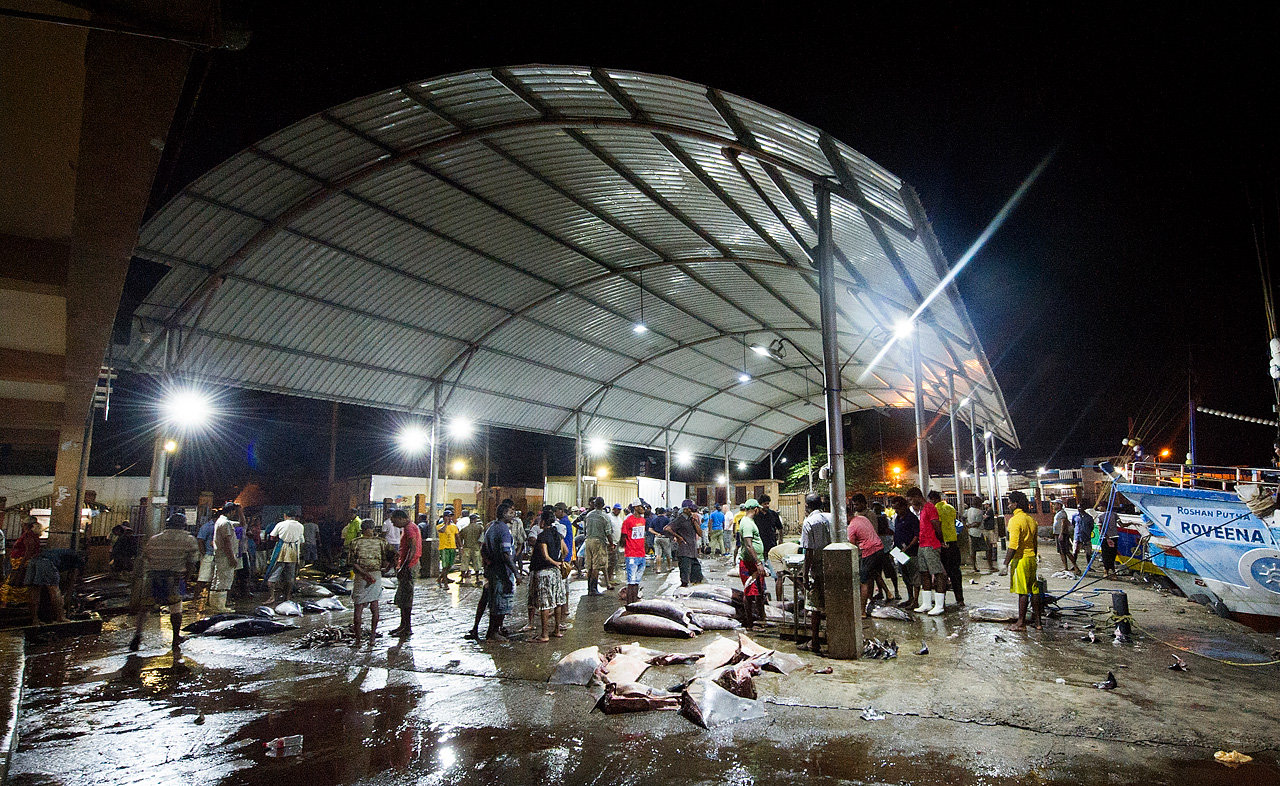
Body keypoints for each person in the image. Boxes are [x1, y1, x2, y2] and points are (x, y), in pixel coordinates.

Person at [130, 513, 200, 651]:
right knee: (176, 608)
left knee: (145, 609)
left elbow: (145, 557)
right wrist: (186, 578)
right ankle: (175, 638)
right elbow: (192, 562)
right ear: (183, 525)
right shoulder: (188, 539)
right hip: (172, 578)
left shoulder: (154, 539)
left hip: (152, 577)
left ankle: (137, 635)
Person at [476, 503, 520, 641]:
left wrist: (489, 563)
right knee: (500, 602)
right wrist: (516, 572)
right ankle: (493, 632)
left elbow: (483, 549)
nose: (513, 514)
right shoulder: (503, 530)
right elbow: (506, 554)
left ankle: (495, 630)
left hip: (493, 569)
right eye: (510, 512)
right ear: (503, 514)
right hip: (502, 571)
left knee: (494, 600)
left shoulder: (491, 528)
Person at [348, 520, 395, 644]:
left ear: (362, 530)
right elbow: (395, 555)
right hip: (376, 575)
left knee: (358, 607)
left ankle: (358, 640)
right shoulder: (382, 542)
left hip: (360, 576)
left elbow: (352, 562)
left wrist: (364, 573)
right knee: (374, 606)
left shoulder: (355, 542)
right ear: (373, 529)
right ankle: (372, 638)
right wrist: (387, 569)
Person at [528, 508, 568, 642]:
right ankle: (556, 631)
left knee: (545, 604)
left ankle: (544, 635)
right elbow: (566, 550)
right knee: (557, 602)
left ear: (544, 521)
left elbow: (545, 556)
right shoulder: (557, 534)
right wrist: (560, 561)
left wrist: (554, 562)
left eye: (540, 520)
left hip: (544, 572)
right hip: (556, 573)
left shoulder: (543, 535)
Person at [1004, 490, 1042, 631]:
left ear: (1015, 504)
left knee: (1023, 592)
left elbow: (1013, 546)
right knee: (1034, 591)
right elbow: (1035, 543)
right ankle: (1038, 623)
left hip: (1021, 560)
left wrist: (1005, 564)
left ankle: (1021, 623)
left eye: (1009, 503)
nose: (1008, 505)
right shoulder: (1031, 520)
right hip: (1032, 558)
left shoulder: (1014, 521)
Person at [799, 493, 832, 654]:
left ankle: (815, 641)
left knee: (815, 607)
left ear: (807, 506)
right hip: (834, 564)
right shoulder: (832, 517)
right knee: (833, 603)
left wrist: (805, 574)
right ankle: (834, 638)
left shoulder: (809, 522)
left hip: (818, 568)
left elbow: (808, 551)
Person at [908, 488, 948, 616]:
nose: (910, 503)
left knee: (937, 573)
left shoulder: (930, 508)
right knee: (924, 573)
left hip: (931, 544)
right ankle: (926, 603)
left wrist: (941, 540)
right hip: (923, 544)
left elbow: (936, 525)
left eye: (910, 499)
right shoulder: (922, 509)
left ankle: (939, 604)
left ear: (917, 496)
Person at [848, 493, 886, 618]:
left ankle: (862, 611)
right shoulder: (862, 519)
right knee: (873, 575)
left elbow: (851, 547)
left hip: (869, 552)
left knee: (863, 581)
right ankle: (886, 594)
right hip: (879, 549)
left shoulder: (852, 526)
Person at [389, 509, 421, 637]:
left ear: (401, 518)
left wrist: (405, 566)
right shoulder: (409, 527)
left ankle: (407, 628)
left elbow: (412, 548)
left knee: (406, 597)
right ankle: (403, 625)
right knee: (402, 597)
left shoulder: (409, 528)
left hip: (410, 566)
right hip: (408, 564)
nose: (393, 524)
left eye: (394, 521)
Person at [933, 490, 965, 607]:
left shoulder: (935, 509)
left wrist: (940, 541)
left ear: (933, 499)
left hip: (942, 543)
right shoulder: (951, 508)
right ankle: (960, 599)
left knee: (942, 574)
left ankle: (942, 599)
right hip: (953, 542)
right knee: (955, 572)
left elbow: (938, 527)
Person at [265, 513, 305, 604]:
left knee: (272, 575)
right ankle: (287, 598)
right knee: (290, 578)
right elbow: (302, 541)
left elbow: (272, 537)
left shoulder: (281, 524)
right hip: (294, 552)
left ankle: (272, 597)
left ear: (285, 516)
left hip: (281, 551)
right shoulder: (300, 526)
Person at [207, 504, 240, 614]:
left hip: (220, 555)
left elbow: (243, 524)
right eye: (234, 512)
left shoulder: (221, 521)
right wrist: (232, 558)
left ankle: (214, 604)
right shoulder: (225, 523)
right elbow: (227, 542)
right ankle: (220, 606)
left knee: (217, 580)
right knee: (224, 581)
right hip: (225, 556)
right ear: (230, 512)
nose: (235, 514)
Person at [664, 500, 705, 587]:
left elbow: (700, 534)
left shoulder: (692, 520)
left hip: (693, 552)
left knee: (697, 576)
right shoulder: (680, 519)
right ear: (685, 509)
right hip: (684, 551)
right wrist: (678, 537)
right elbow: (667, 528)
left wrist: (694, 522)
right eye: (689, 509)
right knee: (685, 577)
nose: (691, 511)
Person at [890, 495, 920, 609]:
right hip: (900, 552)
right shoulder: (897, 518)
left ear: (904, 506)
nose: (896, 511)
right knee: (905, 576)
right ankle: (910, 597)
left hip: (911, 552)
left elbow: (917, 535)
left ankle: (916, 600)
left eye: (898, 508)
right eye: (894, 509)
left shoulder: (911, 518)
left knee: (914, 576)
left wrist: (908, 547)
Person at [581, 497, 614, 595]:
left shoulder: (588, 515)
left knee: (589, 565)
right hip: (598, 541)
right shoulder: (604, 516)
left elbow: (585, 529)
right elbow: (608, 533)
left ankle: (589, 588)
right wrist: (611, 544)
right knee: (597, 565)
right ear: (603, 505)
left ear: (594, 505)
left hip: (588, 540)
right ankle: (593, 589)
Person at [621, 500, 648, 604]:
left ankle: (635, 602)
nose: (643, 509)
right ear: (636, 507)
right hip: (631, 555)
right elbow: (623, 536)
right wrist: (627, 548)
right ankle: (629, 603)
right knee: (631, 581)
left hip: (641, 554)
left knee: (637, 581)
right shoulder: (628, 521)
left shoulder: (643, 520)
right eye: (642, 507)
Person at [873, 502, 899, 602]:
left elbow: (892, 531)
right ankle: (880, 592)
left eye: (878, 509)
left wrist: (883, 529)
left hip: (886, 549)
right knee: (877, 572)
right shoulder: (872, 520)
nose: (876, 511)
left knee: (891, 571)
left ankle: (896, 591)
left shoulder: (886, 520)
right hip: (876, 549)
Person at [738, 539, 767, 629]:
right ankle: (750, 622)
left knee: (759, 592)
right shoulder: (747, 524)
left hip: (753, 563)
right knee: (749, 593)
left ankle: (760, 619)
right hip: (751, 564)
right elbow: (748, 545)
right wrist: (758, 563)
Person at [457, 511, 485, 584]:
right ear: (475, 519)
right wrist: (480, 545)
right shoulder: (480, 527)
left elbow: (459, 537)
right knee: (477, 564)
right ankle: (477, 579)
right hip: (476, 548)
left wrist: (461, 546)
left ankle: (461, 579)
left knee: (464, 564)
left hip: (466, 548)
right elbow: (482, 538)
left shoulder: (465, 528)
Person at [436, 507, 460, 585]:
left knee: (450, 565)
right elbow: (442, 531)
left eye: (451, 516)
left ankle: (440, 578)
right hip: (444, 547)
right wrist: (446, 523)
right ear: (444, 517)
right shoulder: (439, 526)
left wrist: (460, 547)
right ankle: (445, 582)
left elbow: (457, 537)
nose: (449, 518)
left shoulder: (454, 526)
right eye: (448, 516)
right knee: (445, 565)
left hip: (452, 547)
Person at [756, 494, 783, 563]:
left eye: (768, 503)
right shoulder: (756, 516)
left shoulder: (773, 514)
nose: (767, 505)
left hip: (771, 542)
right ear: (760, 504)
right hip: (760, 543)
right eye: (765, 504)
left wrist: (780, 540)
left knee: (772, 563)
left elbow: (780, 528)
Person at [1071, 499, 1095, 574]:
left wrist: (1087, 532)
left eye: (1080, 507)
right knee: (1075, 552)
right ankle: (1074, 565)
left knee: (1088, 553)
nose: (1079, 509)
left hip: (1086, 536)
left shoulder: (1089, 517)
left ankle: (1089, 566)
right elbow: (1073, 524)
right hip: (1078, 536)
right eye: (1078, 507)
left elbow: (1091, 527)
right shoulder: (1075, 516)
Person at [1097, 502, 1120, 579]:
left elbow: (1100, 529)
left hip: (1105, 538)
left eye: (1100, 507)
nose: (1099, 508)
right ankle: (1113, 573)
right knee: (1112, 555)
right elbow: (1121, 525)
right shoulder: (1114, 515)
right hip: (1114, 537)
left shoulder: (1100, 517)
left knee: (1105, 555)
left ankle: (1106, 572)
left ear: (1104, 507)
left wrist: (1107, 538)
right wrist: (1131, 523)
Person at [964, 497, 986, 572]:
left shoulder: (968, 510)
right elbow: (978, 523)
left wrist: (967, 525)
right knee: (987, 548)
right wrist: (971, 525)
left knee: (973, 550)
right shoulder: (979, 512)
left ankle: (974, 566)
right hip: (978, 532)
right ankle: (990, 566)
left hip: (970, 532)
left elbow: (963, 517)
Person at [648, 507, 672, 573]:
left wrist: (657, 533)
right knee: (667, 554)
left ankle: (659, 569)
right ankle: (669, 567)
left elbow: (650, 529)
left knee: (658, 554)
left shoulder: (654, 520)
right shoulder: (667, 519)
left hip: (657, 538)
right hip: (665, 538)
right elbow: (670, 528)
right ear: (664, 512)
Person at [608, 503, 625, 585]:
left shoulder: (619, 519)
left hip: (616, 542)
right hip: (610, 542)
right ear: (613, 509)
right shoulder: (609, 517)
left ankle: (610, 577)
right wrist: (610, 542)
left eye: (619, 510)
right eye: (617, 509)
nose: (618, 511)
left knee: (614, 561)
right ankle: (608, 578)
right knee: (610, 561)